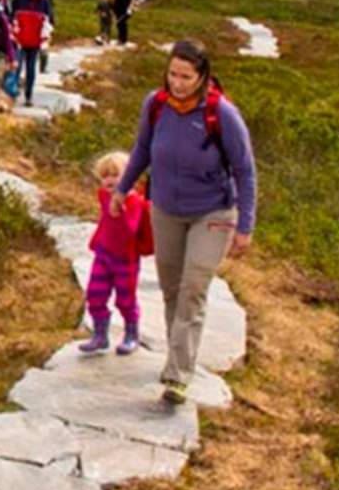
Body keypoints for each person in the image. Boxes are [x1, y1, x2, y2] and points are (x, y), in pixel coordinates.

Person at [108, 39, 256, 405]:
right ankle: (178, 356)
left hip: (214, 212)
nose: (177, 82)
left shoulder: (221, 113)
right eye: (173, 74)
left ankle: (178, 375)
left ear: (202, 76)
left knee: (193, 288)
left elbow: (245, 170)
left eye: (186, 76)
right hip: (165, 210)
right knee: (172, 288)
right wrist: (122, 190)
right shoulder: (156, 105)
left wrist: (246, 225)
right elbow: (142, 148)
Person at [81, 151, 148, 356]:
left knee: (125, 299)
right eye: (104, 176)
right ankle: (100, 335)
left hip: (125, 259)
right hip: (104, 254)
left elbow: (130, 230)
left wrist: (122, 208)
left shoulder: (135, 202)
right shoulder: (103, 195)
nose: (109, 180)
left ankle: (131, 333)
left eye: (115, 175)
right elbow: (105, 220)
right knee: (95, 293)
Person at [8, 0, 53, 107]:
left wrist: (46, 37)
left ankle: (29, 95)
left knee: (31, 68)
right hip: (20, 40)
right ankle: (13, 93)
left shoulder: (44, 1)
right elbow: (10, 14)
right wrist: (13, 28)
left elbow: (49, 20)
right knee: (17, 66)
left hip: (35, 41)